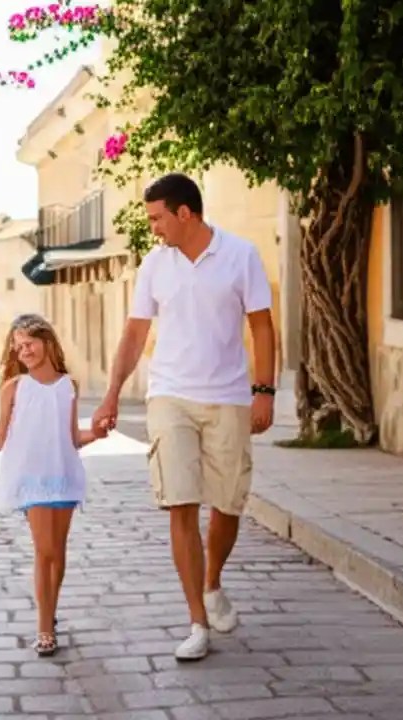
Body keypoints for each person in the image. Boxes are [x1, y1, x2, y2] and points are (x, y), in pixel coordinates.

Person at [92, 173, 277, 661]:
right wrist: (112, 392)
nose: (152, 228)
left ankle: (212, 582)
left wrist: (264, 392)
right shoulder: (155, 265)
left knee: (227, 506)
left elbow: (261, 326)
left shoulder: (241, 256)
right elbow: (134, 335)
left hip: (229, 397)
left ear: (184, 213)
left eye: (157, 218)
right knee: (180, 503)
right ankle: (197, 620)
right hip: (170, 394)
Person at [0, 314, 105, 656]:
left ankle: (50, 614)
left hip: (64, 475)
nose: (25, 351)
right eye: (19, 346)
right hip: (33, 479)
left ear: (47, 341)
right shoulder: (14, 388)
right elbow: (0, 436)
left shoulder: (69, 386)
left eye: (30, 343)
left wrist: (95, 433)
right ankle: (43, 628)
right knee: (45, 550)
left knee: (59, 552)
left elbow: (72, 437)